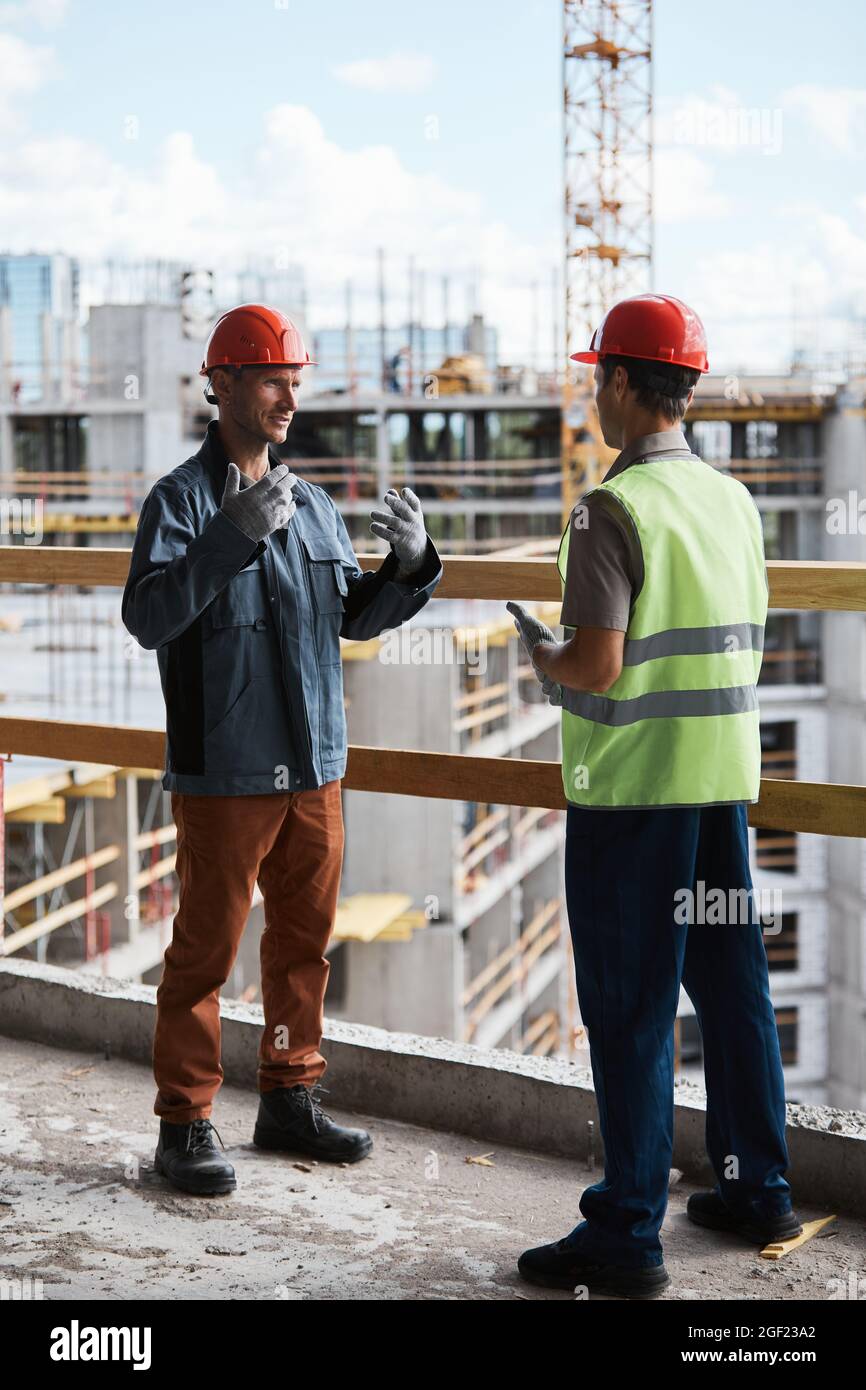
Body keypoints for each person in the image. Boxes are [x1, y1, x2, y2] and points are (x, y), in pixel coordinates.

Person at [507, 293, 801, 1298]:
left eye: (599, 377)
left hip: (632, 797)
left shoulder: (609, 507)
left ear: (625, 384)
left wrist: (537, 656)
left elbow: (592, 666)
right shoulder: (730, 501)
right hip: (719, 785)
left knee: (629, 1008)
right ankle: (756, 1185)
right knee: (730, 988)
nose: (593, 395)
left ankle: (627, 1230)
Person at [122, 303, 442, 1196]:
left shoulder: (310, 508)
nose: (288, 398)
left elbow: (348, 620)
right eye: (271, 379)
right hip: (227, 772)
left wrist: (410, 570)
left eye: (295, 382)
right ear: (221, 385)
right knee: (204, 955)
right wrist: (231, 538)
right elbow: (149, 617)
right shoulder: (181, 503)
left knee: (303, 946)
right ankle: (184, 1124)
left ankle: (289, 1098)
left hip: (314, 769)